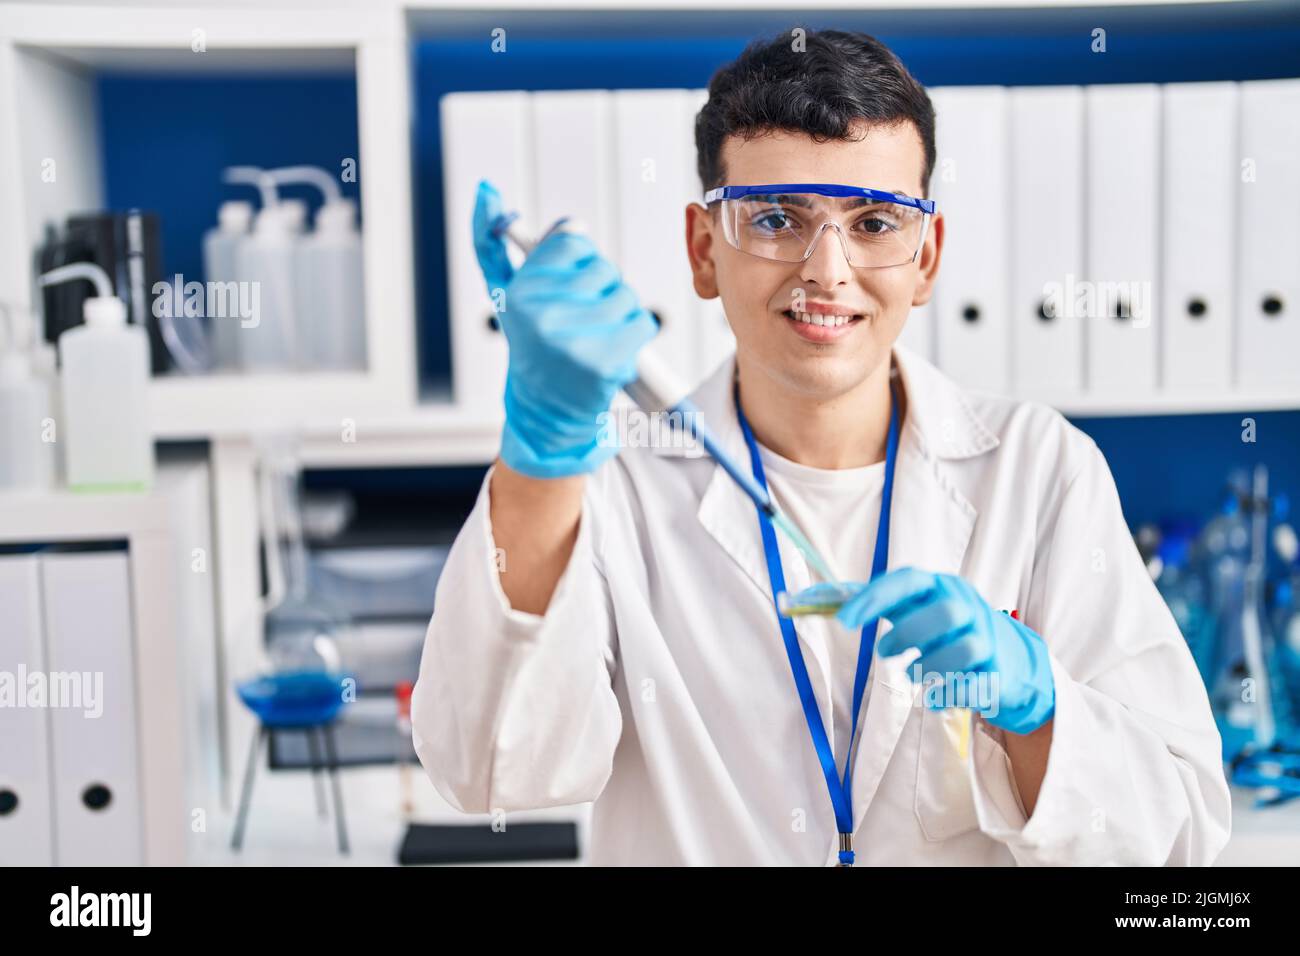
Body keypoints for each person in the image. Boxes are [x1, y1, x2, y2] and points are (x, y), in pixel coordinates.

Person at [411, 29, 1231, 866]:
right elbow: (488, 772)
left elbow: (1178, 844)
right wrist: (541, 455)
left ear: (927, 257)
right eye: (775, 218)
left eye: (874, 222)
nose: (827, 271)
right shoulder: (616, 488)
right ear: (704, 250)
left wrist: (1035, 704)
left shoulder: (1037, 470)